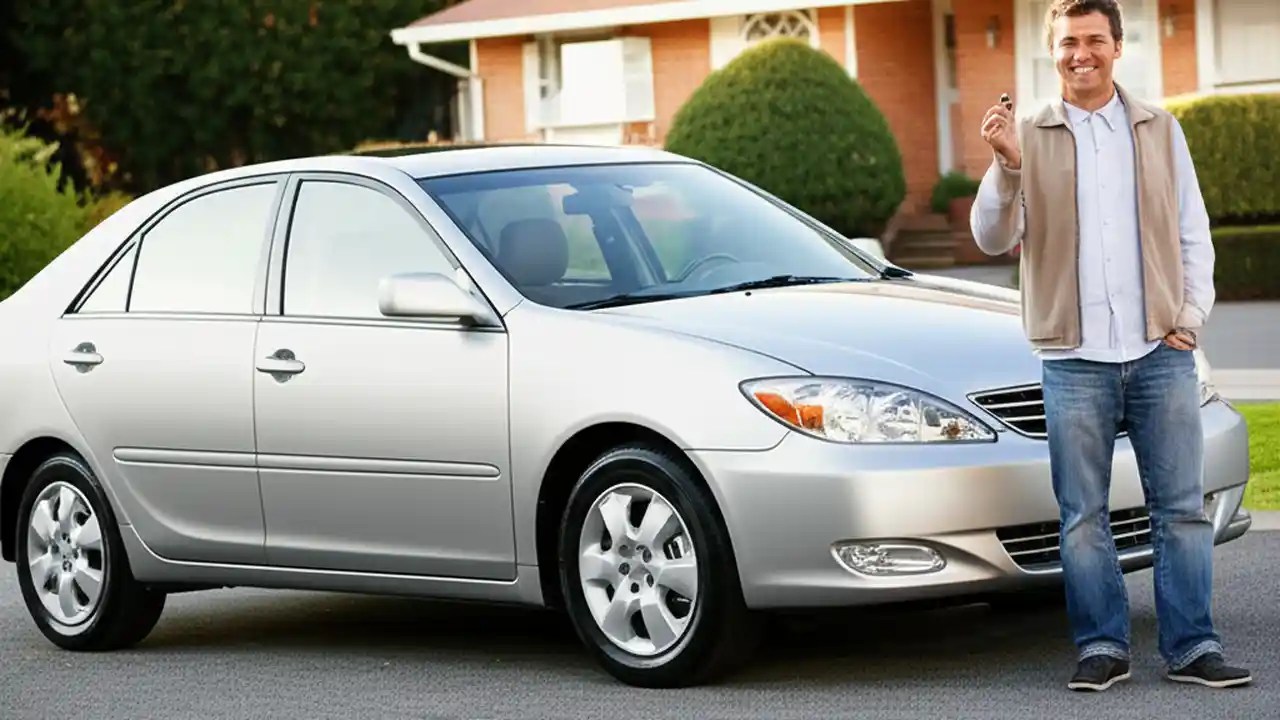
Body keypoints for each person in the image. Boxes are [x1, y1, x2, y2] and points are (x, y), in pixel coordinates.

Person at [970, 0, 1251, 693]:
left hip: (1160, 351)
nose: (1081, 53)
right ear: (1052, 51)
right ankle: (1102, 646)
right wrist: (1006, 166)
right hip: (1072, 360)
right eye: (1069, 42)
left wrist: (1192, 313)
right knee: (1082, 517)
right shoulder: (1027, 134)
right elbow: (991, 237)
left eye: (1094, 39)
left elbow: (1192, 229)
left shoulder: (1159, 128)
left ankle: (1192, 646)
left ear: (1117, 47)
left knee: (1180, 509)